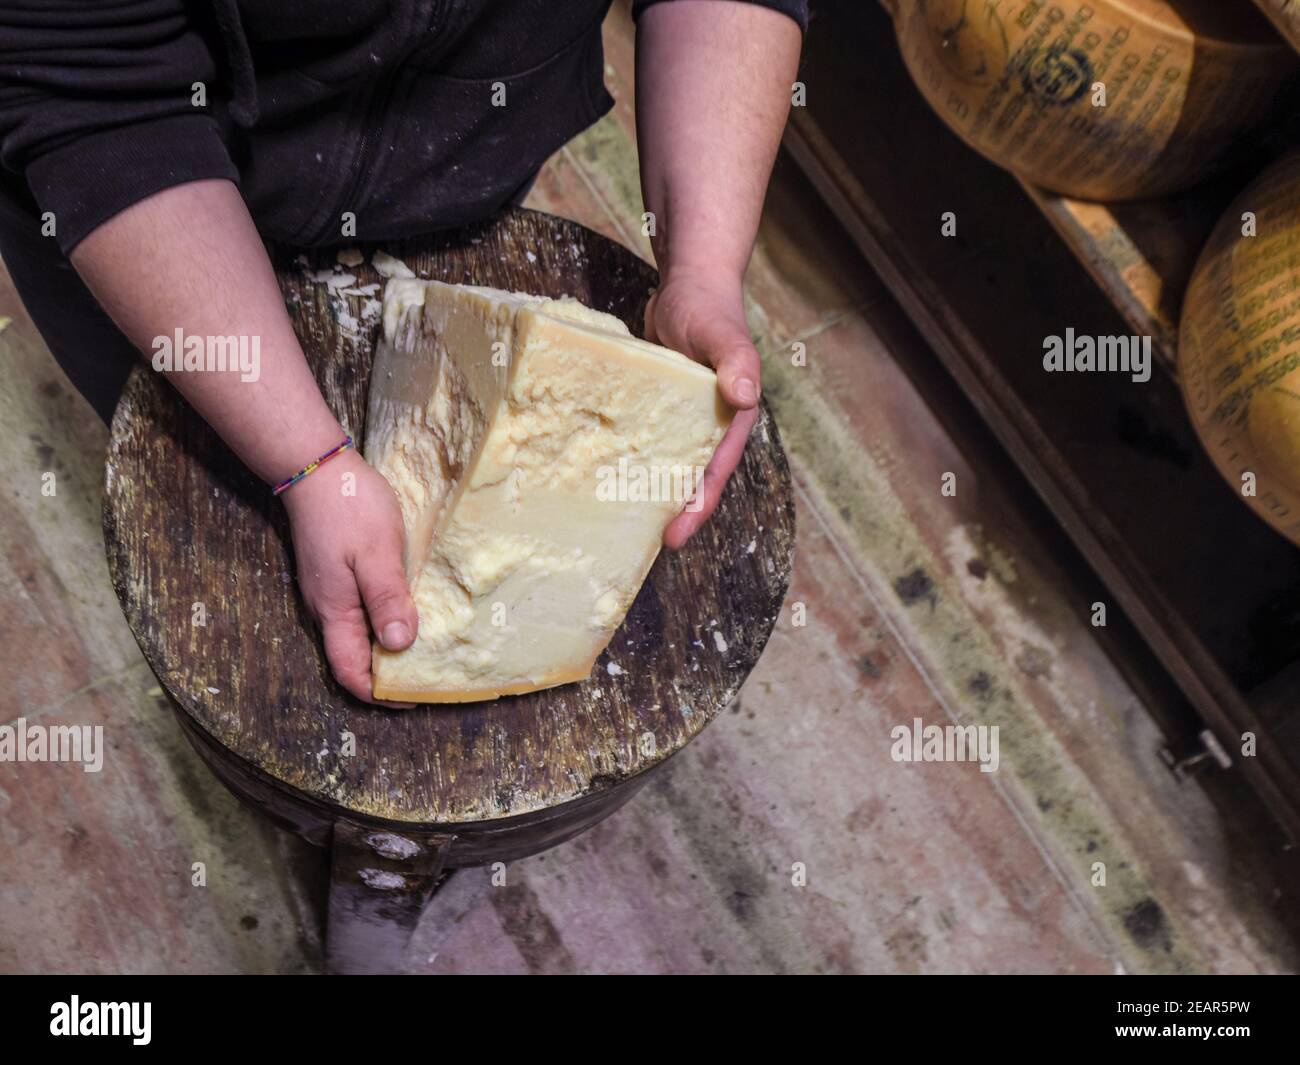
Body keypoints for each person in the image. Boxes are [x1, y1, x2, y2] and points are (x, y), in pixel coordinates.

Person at [0, 0, 807, 704]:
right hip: (161, 223)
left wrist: (701, 267)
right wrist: (306, 462)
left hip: (460, 156)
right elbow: (95, 94)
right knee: (214, 534)